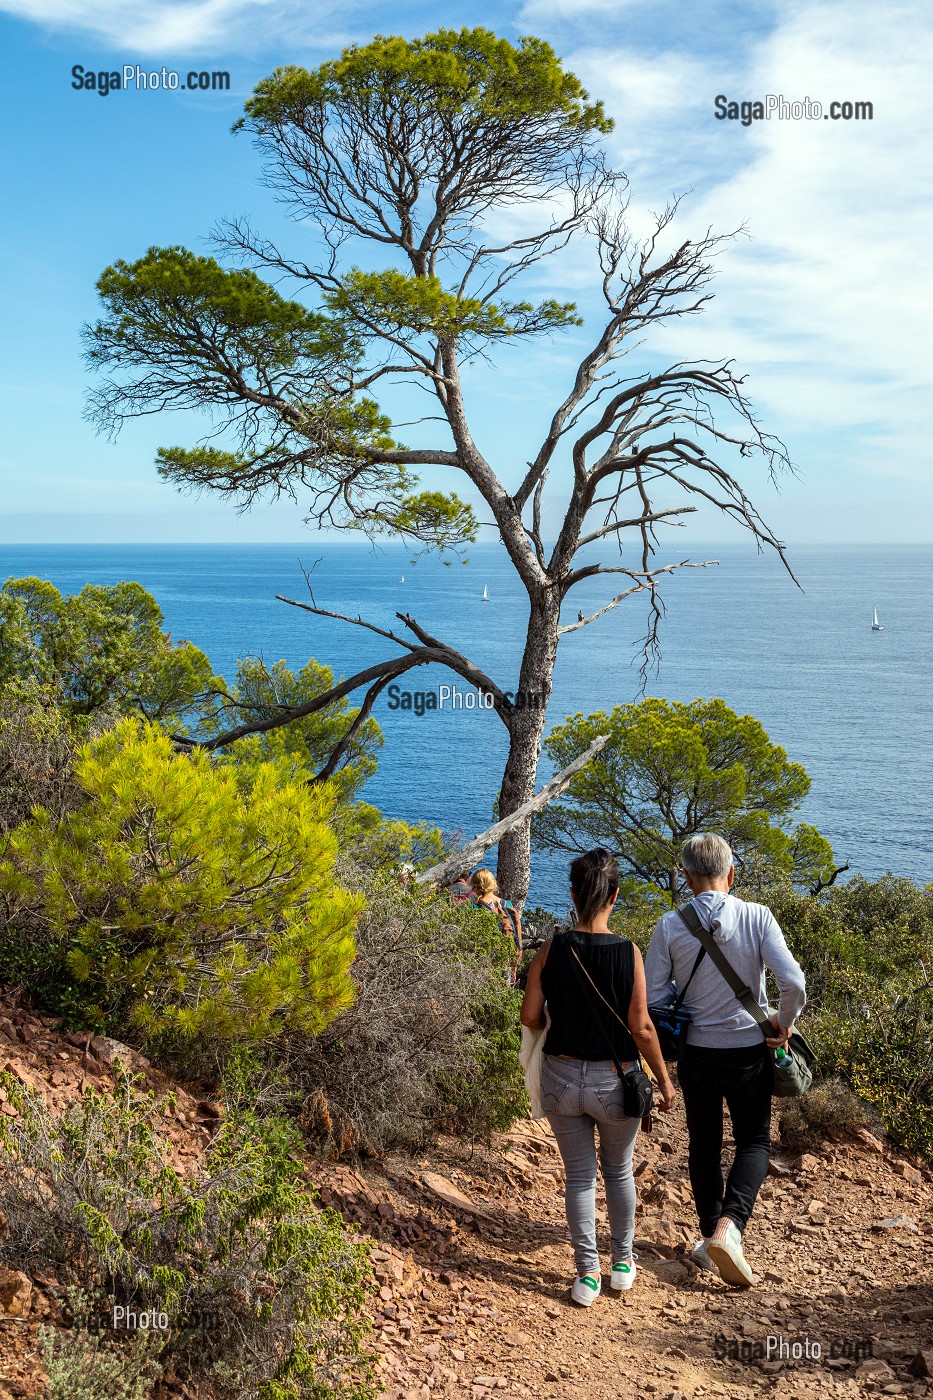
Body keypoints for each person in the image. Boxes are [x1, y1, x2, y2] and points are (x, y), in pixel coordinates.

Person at [644, 832, 807, 1288]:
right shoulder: (758, 916)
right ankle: (729, 1230)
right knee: (754, 1141)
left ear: (687, 877)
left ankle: (709, 1239)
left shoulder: (670, 925)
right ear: (731, 874)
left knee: (703, 1146)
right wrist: (782, 1020)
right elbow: (793, 983)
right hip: (749, 1050)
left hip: (696, 1052)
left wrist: (689, 1000)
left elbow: (657, 997)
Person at [520, 849, 675, 1306]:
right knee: (619, 1171)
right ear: (615, 895)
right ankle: (622, 1264)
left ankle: (587, 1273)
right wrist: (665, 1083)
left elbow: (530, 1016)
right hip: (616, 1082)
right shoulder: (628, 952)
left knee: (580, 1178)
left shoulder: (551, 949)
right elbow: (642, 1027)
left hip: (561, 1078)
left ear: (572, 895)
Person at [471, 869, 522, 984]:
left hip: (485, 960)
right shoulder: (507, 904)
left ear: (476, 886)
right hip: (506, 958)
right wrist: (514, 966)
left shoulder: (476, 908)